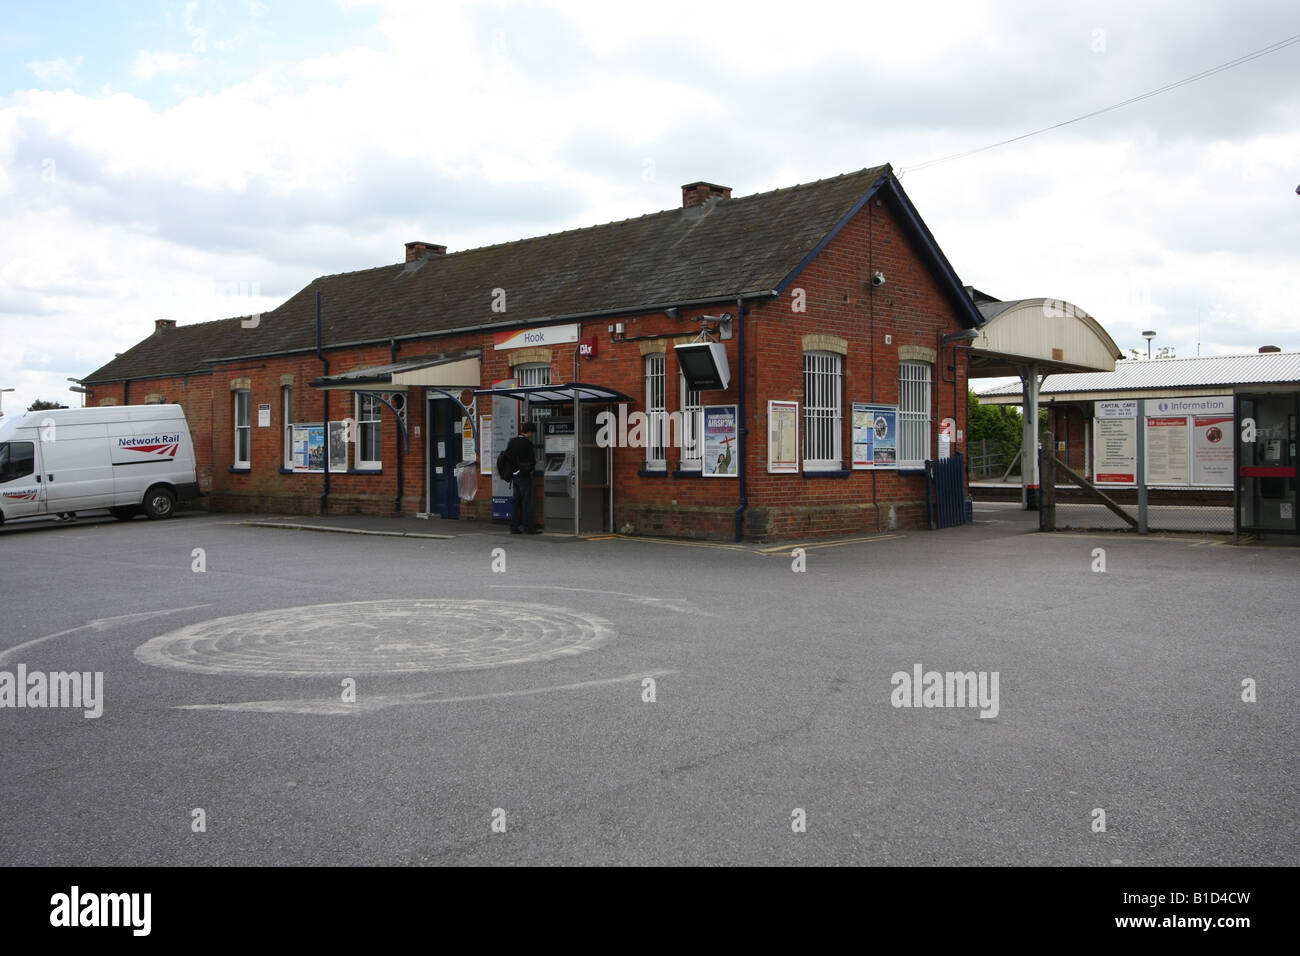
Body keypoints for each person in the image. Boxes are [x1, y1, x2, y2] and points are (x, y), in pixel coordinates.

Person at [507, 422, 541, 534]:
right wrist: (529, 468)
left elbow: (507, 458)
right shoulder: (527, 444)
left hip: (514, 475)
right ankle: (528, 528)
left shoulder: (512, 442)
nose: (532, 435)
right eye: (532, 433)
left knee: (516, 502)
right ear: (529, 432)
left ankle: (514, 527)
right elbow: (532, 460)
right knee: (527, 502)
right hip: (524, 475)